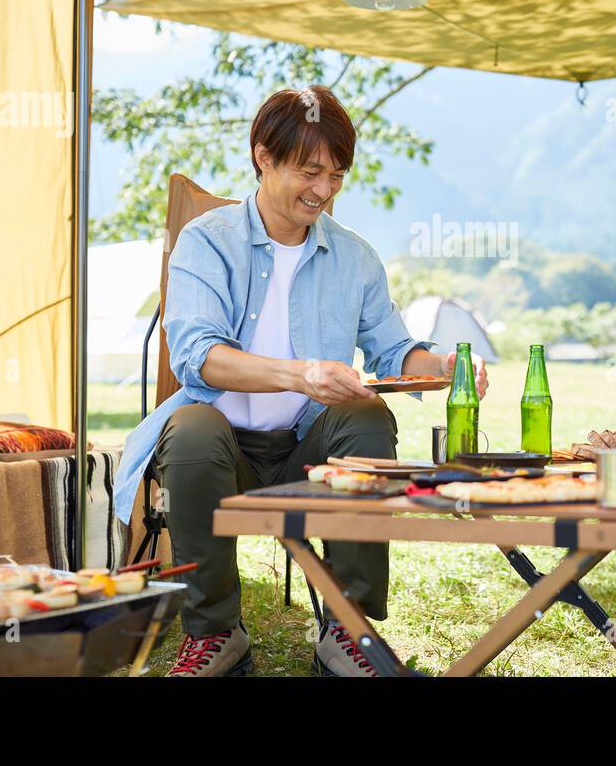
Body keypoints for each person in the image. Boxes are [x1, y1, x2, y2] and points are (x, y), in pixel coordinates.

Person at [114, 86, 488, 678]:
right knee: (189, 431)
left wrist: (438, 366)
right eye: (309, 171)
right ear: (263, 156)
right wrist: (302, 375)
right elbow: (198, 358)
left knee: (367, 416)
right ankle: (216, 635)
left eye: (336, 176)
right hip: (220, 451)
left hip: (309, 452)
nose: (323, 190)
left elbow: (394, 348)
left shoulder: (355, 258)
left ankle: (348, 631)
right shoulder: (207, 241)